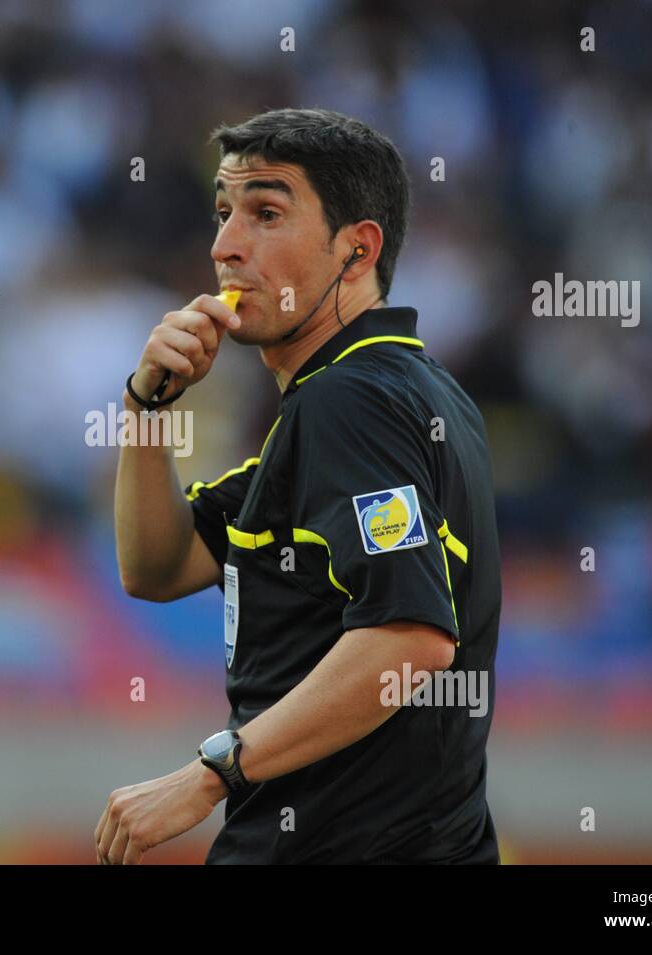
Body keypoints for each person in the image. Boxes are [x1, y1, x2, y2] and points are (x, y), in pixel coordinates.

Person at [97, 108, 501, 864]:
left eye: (266, 213)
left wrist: (211, 772)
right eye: (223, 212)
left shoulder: (348, 403)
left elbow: (409, 639)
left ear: (357, 249)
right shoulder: (405, 394)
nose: (224, 246)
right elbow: (155, 565)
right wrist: (146, 410)